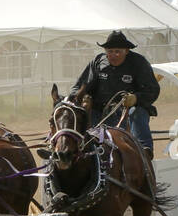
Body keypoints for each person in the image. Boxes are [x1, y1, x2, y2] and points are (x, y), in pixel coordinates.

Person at [68, 29, 160, 158]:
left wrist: (135, 98)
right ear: (105, 51)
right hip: (100, 112)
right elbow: (80, 85)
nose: (113, 55)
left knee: (137, 113)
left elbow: (153, 90)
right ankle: (71, 150)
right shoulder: (98, 62)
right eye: (110, 51)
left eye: (118, 51)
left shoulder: (139, 63)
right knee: (78, 116)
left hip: (128, 111)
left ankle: (145, 149)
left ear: (126, 51)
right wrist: (74, 98)